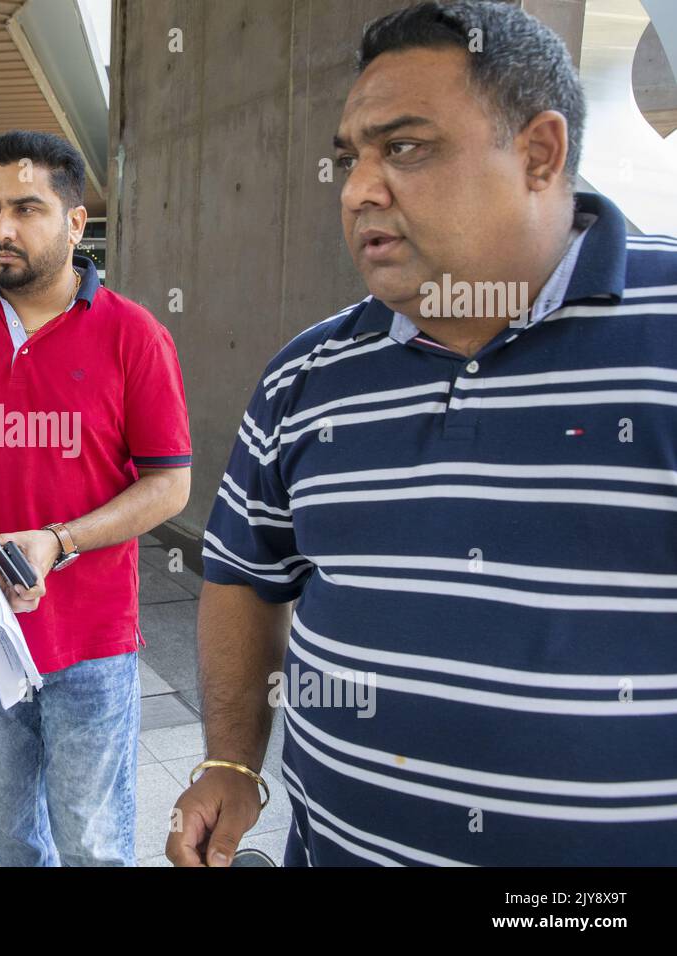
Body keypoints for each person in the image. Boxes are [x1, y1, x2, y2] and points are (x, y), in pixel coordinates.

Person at [168, 0, 677, 867]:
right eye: (348, 158)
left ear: (540, 154)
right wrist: (230, 759)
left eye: (404, 148)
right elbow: (245, 576)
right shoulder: (307, 376)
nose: (360, 188)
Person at [0, 130, 193, 866]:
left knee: (92, 841)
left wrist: (59, 541)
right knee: (9, 833)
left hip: (91, 641)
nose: (2, 229)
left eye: (26, 208)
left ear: (76, 222)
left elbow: (170, 484)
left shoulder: (134, 336)